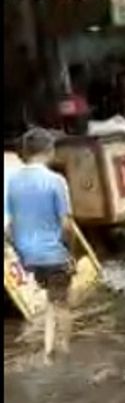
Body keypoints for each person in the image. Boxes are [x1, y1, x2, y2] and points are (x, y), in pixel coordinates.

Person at [6, 128, 75, 363]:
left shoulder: (12, 182)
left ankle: (47, 352)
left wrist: (22, 253)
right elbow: (67, 226)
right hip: (54, 253)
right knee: (62, 304)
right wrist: (70, 251)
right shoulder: (56, 181)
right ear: (49, 150)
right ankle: (64, 352)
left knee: (50, 300)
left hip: (30, 257)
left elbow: (9, 226)